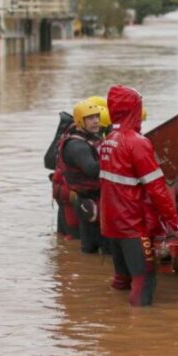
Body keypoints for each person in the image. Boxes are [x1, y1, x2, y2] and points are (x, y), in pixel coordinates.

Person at [99, 85, 178, 307]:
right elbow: (158, 190)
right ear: (134, 109)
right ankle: (139, 332)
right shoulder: (137, 143)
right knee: (144, 280)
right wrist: (177, 225)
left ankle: (111, 326)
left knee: (122, 279)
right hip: (133, 225)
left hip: (111, 223)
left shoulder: (107, 140)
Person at [58, 100, 106, 254]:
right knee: (92, 248)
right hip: (88, 201)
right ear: (80, 121)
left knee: (93, 249)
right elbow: (92, 170)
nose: (96, 121)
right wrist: (115, 156)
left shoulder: (90, 137)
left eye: (97, 117)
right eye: (90, 118)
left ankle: (88, 273)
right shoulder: (76, 146)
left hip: (93, 199)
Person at [45, 109, 78, 240]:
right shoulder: (78, 142)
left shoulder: (68, 136)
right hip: (70, 195)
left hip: (62, 193)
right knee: (73, 238)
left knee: (64, 238)